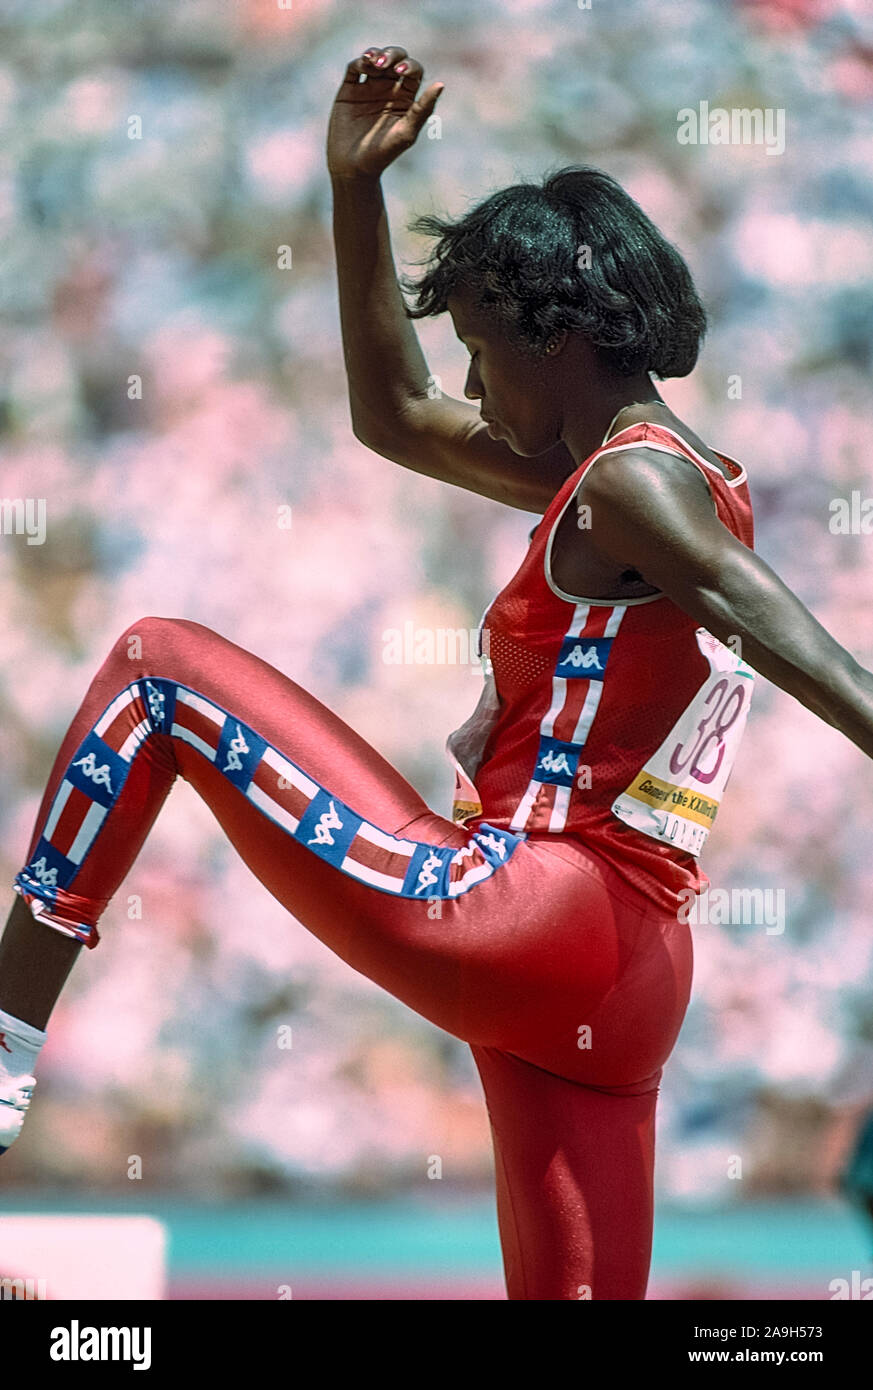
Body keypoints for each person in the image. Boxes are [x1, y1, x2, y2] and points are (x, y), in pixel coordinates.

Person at [1, 45, 871, 1301]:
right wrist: (353, 190)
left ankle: (7, 1033)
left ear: (556, 336)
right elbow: (394, 418)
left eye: (478, 348)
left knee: (156, 672)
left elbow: (771, 622)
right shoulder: (658, 475)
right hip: (631, 977)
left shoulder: (632, 484)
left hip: (530, 908)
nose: (467, 380)